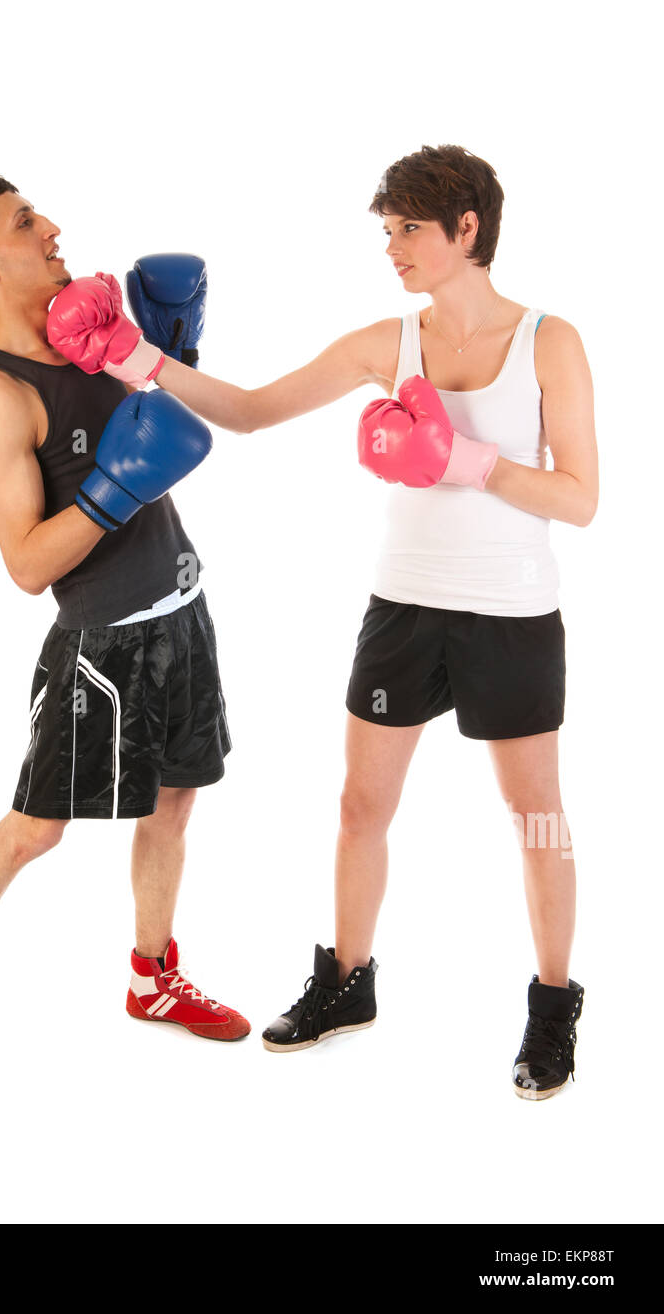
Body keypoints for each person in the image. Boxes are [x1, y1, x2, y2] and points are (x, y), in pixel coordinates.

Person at [64, 143, 597, 1100]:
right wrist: (138, 358)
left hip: (513, 611)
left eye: (409, 230)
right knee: (360, 808)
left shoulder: (548, 343)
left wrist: (465, 463)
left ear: (466, 229)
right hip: (404, 602)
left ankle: (554, 1005)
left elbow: (582, 497)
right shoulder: (385, 342)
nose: (391, 247)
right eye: (386, 229)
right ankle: (348, 981)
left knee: (538, 821)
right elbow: (255, 409)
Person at [0, 173, 250, 1093]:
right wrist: (115, 484)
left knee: (176, 801)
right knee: (34, 831)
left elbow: (178, 423)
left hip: (182, 605)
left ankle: (150, 977)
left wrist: (170, 350)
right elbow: (25, 564)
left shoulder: (81, 337)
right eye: (25, 222)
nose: (52, 228)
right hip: (104, 647)